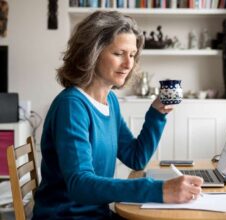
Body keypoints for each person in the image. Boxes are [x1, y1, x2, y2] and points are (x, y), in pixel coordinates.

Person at [32, 11, 203, 220]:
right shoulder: (72, 107)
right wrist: (158, 190)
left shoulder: (110, 101)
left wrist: (157, 113)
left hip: (97, 214)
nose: (128, 64)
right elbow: (80, 184)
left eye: (132, 55)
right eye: (119, 53)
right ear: (92, 53)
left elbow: (136, 157)